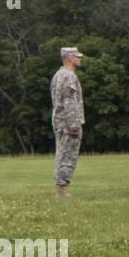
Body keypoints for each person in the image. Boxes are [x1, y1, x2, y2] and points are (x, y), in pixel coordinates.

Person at [50, 46, 85, 197]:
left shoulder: (58, 75)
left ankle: (61, 188)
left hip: (59, 122)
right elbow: (70, 103)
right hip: (67, 123)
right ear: (69, 58)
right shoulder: (69, 76)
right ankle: (62, 190)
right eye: (77, 56)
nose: (79, 58)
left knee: (62, 154)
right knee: (68, 155)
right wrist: (74, 126)